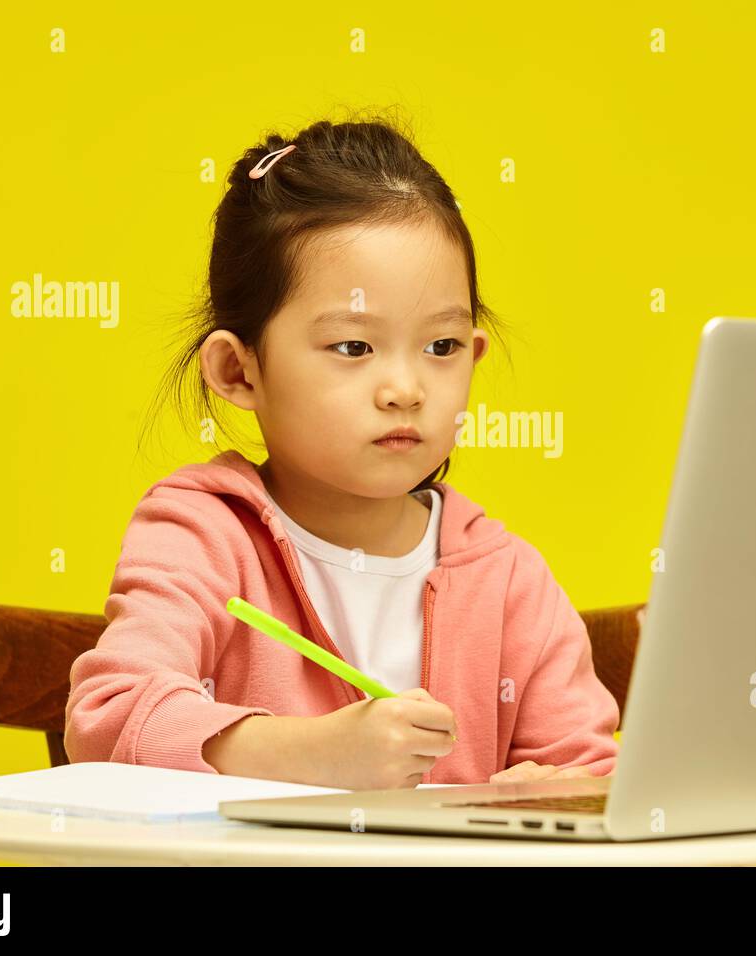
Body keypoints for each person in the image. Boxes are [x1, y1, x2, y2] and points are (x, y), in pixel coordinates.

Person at [63, 115, 620, 790]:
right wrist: (311, 754)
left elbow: (595, 776)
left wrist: (563, 794)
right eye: (354, 347)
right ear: (240, 372)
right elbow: (108, 719)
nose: (406, 389)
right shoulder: (202, 535)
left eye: (440, 348)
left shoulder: (507, 580)